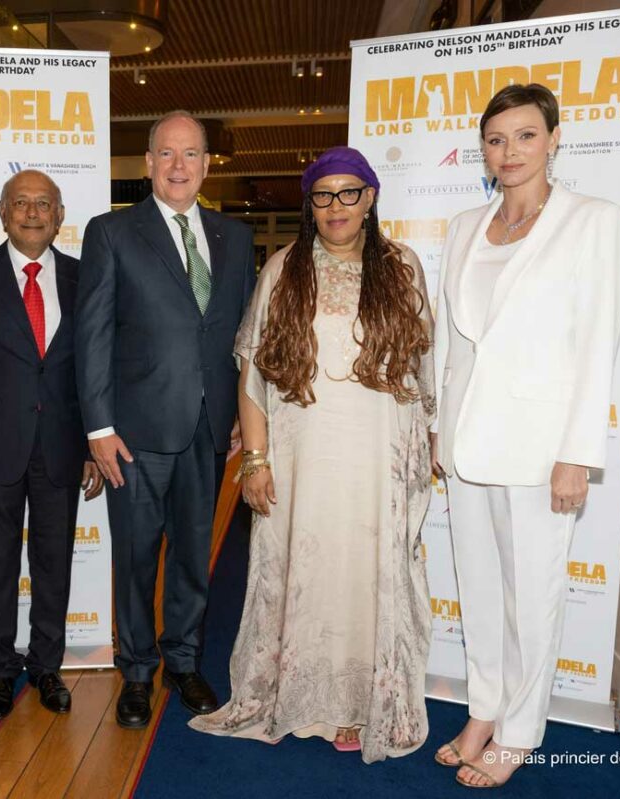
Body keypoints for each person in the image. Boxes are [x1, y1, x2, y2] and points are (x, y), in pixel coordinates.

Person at [189, 147, 436, 762]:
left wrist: (425, 447)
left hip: (377, 459)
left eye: (349, 193)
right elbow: (252, 372)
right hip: (302, 459)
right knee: (307, 575)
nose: (336, 207)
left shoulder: (404, 267)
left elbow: (426, 372)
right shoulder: (284, 269)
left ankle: (360, 704)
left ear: (371, 199)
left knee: (366, 575)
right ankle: (297, 696)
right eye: (322, 195)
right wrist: (256, 460)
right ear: (310, 204)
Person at [430, 84, 620, 789]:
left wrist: (577, 453)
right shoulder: (462, 226)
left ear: (552, 138)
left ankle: (521, 730)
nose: (508, 152)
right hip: (464, 442)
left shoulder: (592, 221)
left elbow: (595, 342)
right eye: (495, 139)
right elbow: (451, 342)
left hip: (541, 447)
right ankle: (483, 708)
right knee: (479, 588)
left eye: (523, 135)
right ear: (481, 150)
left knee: (533, 595)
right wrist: (437, 427)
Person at [77, 110, 257, 728]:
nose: (179, 167)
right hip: (134, 435)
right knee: (135, 557)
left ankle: (183, 661)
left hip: (209, 431)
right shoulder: (111, 233)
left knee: (191, 558)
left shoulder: (235, 238)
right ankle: (135, 671)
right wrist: (99, 430)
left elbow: (240, 336)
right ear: (148, 164)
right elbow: (93, 335)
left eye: (191, 155)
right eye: (166, 155)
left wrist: (239, 410)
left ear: (208, 165)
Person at [0, 169, 104, 720]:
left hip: (62, 446)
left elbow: (95, 372)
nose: (32, 213)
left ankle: (46, 666)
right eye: (21, 203)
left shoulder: (88, 278)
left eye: (44, 204)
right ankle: (0, 670)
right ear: (3, 213)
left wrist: (92, 446)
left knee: (54, 563)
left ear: (60, 216)